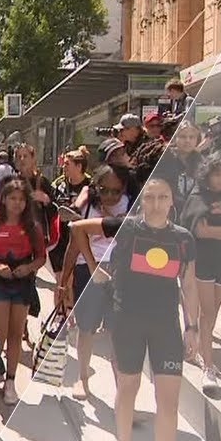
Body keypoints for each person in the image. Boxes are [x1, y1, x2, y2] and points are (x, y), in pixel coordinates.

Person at [67, 177, 197, 441]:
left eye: (163, 197)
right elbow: (77, 228)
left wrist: (193, 327)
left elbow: (190, 284)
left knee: (167, 403)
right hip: (128, 320)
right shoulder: (126, 227)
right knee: (128, 388)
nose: (156, 203)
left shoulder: (183, 239)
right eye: (150, 197)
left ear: (172, 202)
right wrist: (95, 269)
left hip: (166, 325)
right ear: (142, 202)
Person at [56, 166, 129, 399]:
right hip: (87, 271)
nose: (109, 196)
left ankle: (123, 392)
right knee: (86, 328)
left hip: (119, 272)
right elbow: (73, 245)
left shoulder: (130, 205)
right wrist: (64, 280)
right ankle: (82, 379)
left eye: (115, 191)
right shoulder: (87, 207)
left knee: (117, 331)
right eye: (104, 190)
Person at [0, 176, 46, 405]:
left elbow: (41, 258)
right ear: (4, 200)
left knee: (17, 332)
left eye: (21, 199)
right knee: (1, 331)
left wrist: (28, 267)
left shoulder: (32, 228)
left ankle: (11, 381)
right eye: (12, 198)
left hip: (22, 283)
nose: (17, 203)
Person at [183, 153, 221, 390]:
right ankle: (208, 366)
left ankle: (203, 351)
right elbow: (199, 230)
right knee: (207, 313)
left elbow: (210, 229)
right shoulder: (199, 195)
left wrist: (215, 230)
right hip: (204, 261)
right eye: (217, 173)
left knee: (214, 310)